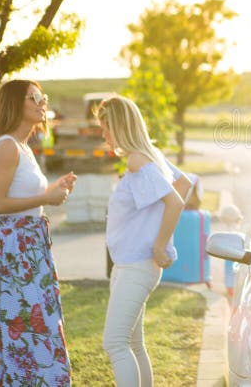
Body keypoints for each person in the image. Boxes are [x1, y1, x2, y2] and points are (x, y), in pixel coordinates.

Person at [0, 79, 76, 386]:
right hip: (15, 249)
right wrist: (45, 198)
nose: (43, 103)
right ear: (15, 104)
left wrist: (55, 190)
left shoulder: (23, 147)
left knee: (31, 328)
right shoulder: (6, 147)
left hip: (29, 247)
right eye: (35, 97)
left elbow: (21, 200)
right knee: (28, 329)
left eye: (44, 97)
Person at [95, 96, 192, 387]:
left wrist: (160, 244)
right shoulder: (151, 156)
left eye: (105, 128)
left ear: (118, 126)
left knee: (114, 343)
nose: (103, 135)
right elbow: (184, 183)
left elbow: (175, 202)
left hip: (137, 265)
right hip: (129, 264)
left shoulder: (138, 161)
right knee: (133, 345)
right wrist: (155, 230)